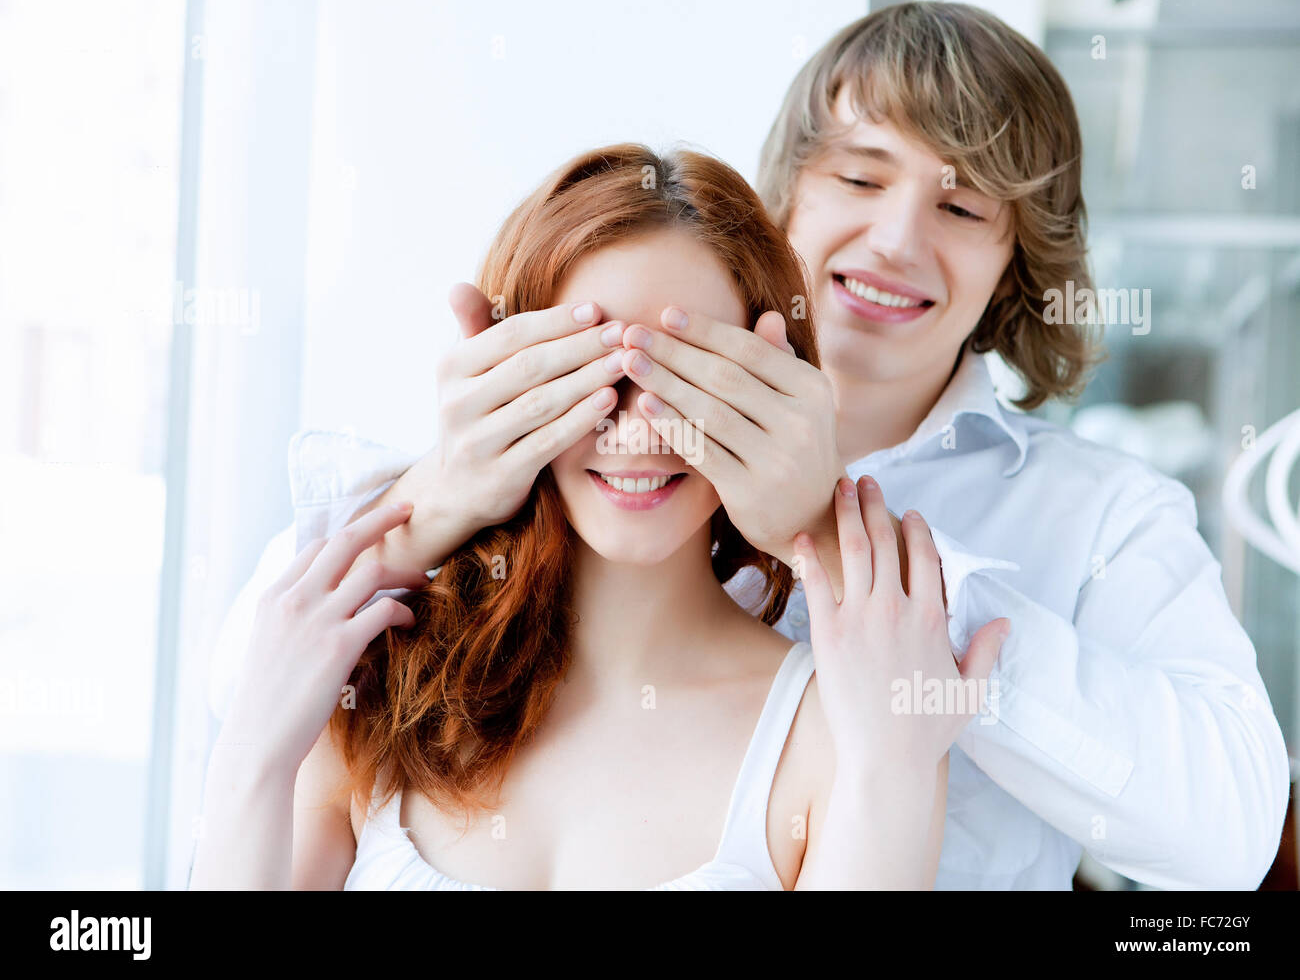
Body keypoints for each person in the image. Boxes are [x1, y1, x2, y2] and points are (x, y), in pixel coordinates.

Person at [207, 1, 1290, 889]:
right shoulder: (587, 456)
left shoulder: (1101, 517)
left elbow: (1229, 841)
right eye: (860, 180)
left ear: (1016, 264)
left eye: (963, 208)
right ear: (781, 204)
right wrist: (433, 505)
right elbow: (258, 695)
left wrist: (833, 530)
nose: (898, 239)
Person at [190, 144, 1006, 890]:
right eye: (587, 375)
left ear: (775, 390)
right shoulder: (375, 684)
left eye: (692, 378)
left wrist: (893, 765)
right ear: (508, 377)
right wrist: (254, 754)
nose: (642, 427)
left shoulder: (850, 729)